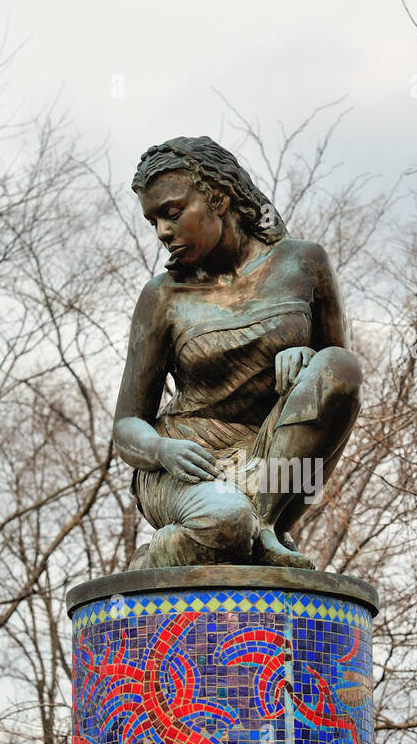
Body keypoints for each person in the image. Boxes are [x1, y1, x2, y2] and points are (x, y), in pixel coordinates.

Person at [113, 136, 362, 570]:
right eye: (153, 221)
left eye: (172, 212)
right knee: (227, 520)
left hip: (273, 459)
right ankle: (192, 545)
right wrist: (159, 451)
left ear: (220, 198)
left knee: (339, 368)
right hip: (186, 461)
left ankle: (262, 527)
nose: (163, 232)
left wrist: (306, 356)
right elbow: (127, 424)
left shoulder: (304, 263)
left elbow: (339, 377)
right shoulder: (163, 296)